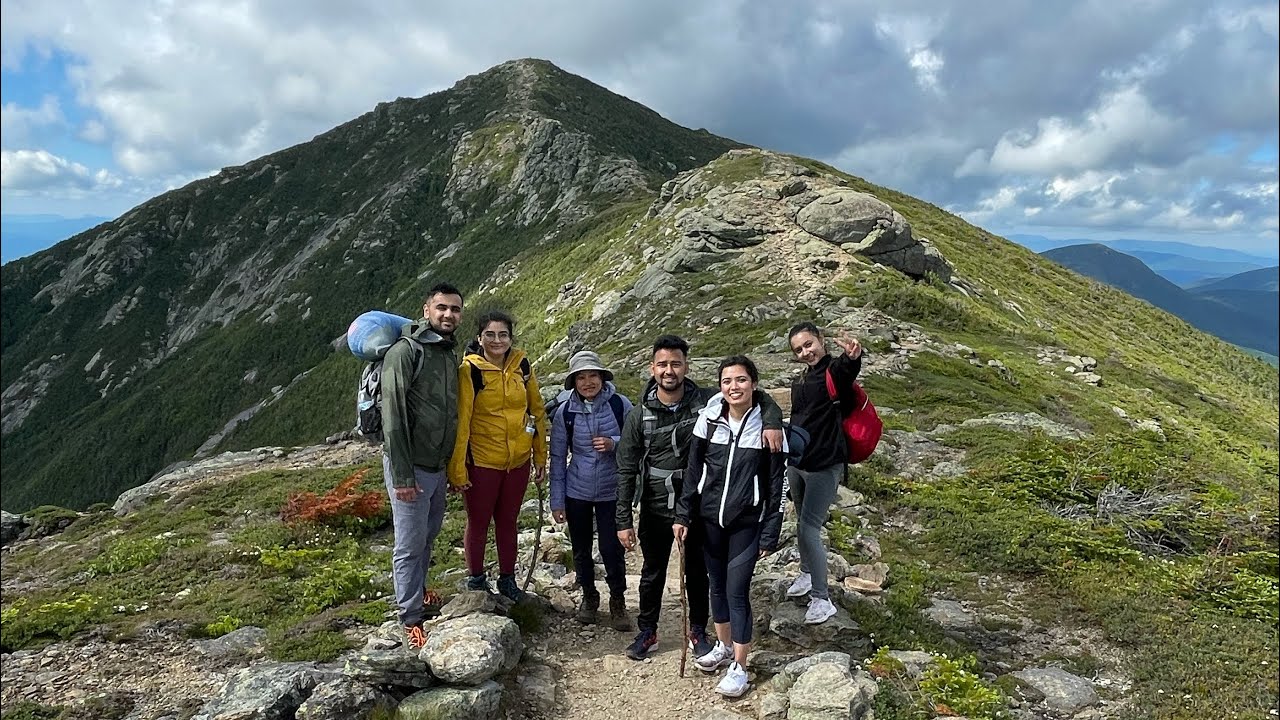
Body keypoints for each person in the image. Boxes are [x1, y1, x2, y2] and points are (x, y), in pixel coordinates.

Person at [614, 335, 785, 662]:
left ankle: (697, 629)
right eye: (662, 364)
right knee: (652, 571)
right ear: (652, 368)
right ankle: (648, 630)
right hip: (655, 505)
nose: (669, 371)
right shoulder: (639, 415)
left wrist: (773, 420)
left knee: (697, 570)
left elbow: (755, 396)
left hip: (697, 507)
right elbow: (625, 469)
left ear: (686, 366)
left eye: (676, 364)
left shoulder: (706, 401)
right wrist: (623, 520)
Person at [674, 355, 786, 698]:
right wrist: (683, 515)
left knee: (737, 591)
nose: (733, 387)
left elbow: (776, 484)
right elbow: (693, 473)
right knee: (716, 586)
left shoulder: (768, 429)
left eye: (740, 380)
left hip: (746, 523)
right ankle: (723, 647)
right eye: (727, 381)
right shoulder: (708, 420)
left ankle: (740, 665)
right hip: (709, 520)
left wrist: (770, 530)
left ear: (753, 383)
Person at [381, 282, 464, 650]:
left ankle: (418, 593)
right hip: (410, 466)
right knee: (409, 543)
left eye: (455, 309)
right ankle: (410, 617)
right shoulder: (405, 352)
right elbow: (393, 417)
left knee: (427, 537)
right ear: (426, 309)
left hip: (436, 465)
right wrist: (401, 476)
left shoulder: (447, 351)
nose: (448, 315)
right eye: (441, 308)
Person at [449, 310, 548, 603]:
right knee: (478, 523)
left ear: (510, 338)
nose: (496, 340)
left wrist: (539, 457)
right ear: (479, 338)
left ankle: (507, 581)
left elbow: (536, 412)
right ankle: (477, 581)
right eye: (489, 335)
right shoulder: (471, 371)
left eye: (502, 334)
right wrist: (458, 469)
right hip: (482, 462)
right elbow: (463, 421)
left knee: (508, 522)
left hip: (517, 462)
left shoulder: (522, 365)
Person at [549, 350, 634, 631]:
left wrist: (614, 444)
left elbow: (637, 445)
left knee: (612, 549)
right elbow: (558, 457)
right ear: (573, 382)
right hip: (577, 491)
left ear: (602, 377)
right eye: (581, 377)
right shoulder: (565, 412)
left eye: (592, 376)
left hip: (612, 490)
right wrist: (557, 501)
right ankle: (589, 596)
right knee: (581, 549)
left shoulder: (620, 405)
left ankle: (618, 600)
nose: (588, 382)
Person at [784, 321, 863, 625]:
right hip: (799, 463)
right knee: (801, 519)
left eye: (809, 345)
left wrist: (853, 356)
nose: (806, 352)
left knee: (808, 528)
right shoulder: (803, 377)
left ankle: (821, 598)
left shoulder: (834, 371)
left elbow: (847, 370)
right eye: (799, 349)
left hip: (823, 465)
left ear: (821, 341)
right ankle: (806, 572)